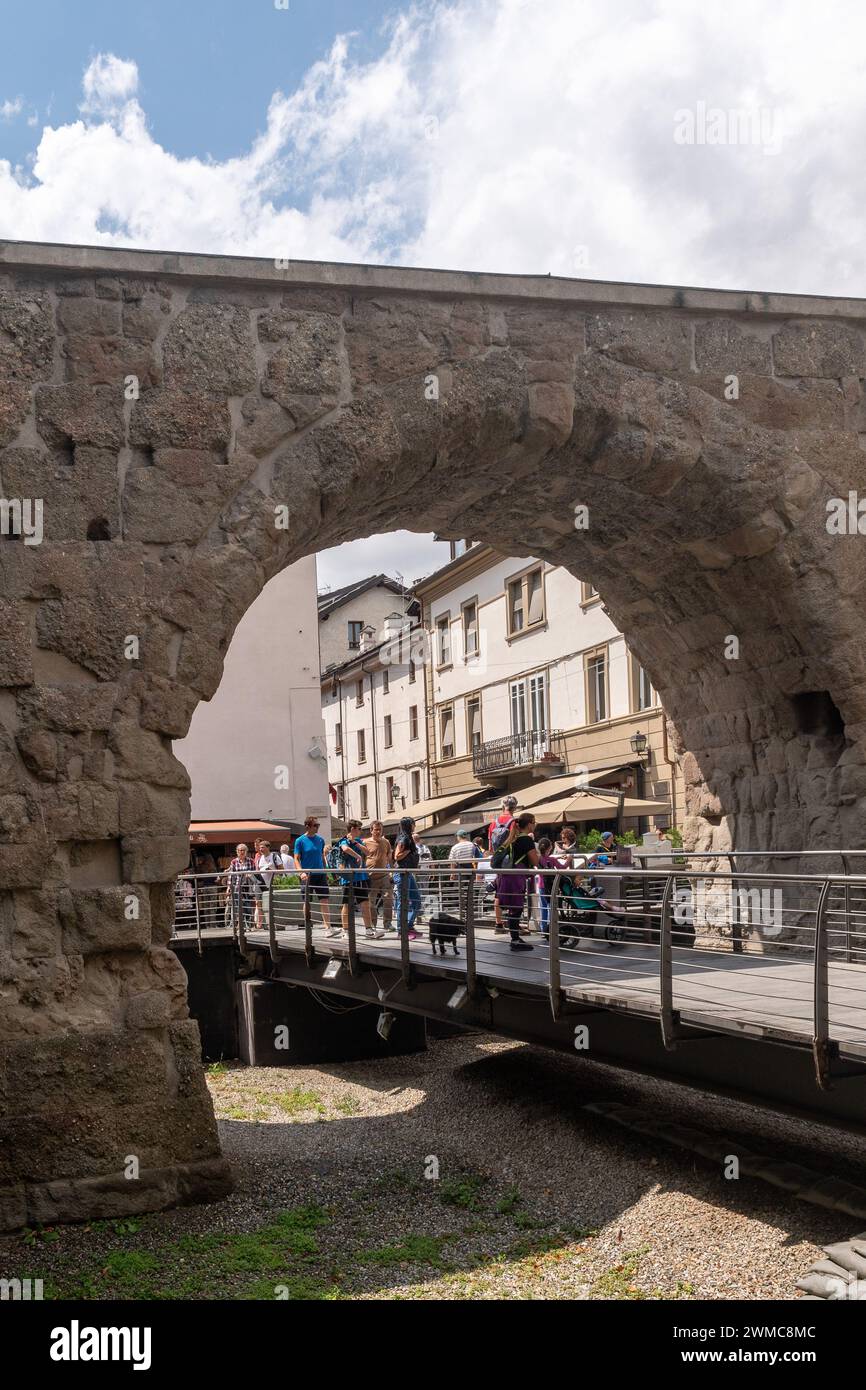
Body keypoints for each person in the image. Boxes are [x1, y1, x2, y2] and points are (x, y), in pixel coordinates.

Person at [495, 813, 539, 951]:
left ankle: (515, 938)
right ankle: (515, 940)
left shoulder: (513, 839)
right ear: (530, 823)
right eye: (534, 822)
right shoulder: (526, 839)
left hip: (507, 877)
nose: (535, 825)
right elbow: (535, 861)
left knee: (513, 909)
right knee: (516, 908)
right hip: (515, 878)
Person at [293, 815, 334, 935]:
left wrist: (326, 871)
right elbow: (296, 858)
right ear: (307, 826)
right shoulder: (300, 840)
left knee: (324, 900)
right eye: (315, 825)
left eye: (318, 825)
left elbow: (321, 857)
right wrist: (301, 872)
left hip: (320, 874)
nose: (317, 827)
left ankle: (328, 927)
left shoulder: (320, 840)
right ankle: (307, 925)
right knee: (307, 901)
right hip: (307, 875)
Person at [338, 820, 378, 938]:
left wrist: (355, 843)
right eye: (359, 829)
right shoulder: (343, 840)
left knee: (365, 903)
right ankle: (346, 931)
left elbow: (368, 852)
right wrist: (357, 856)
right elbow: (345, 849)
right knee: (347, 904)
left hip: (360, 877)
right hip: (348, 878)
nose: (361, 831)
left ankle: (369, 930)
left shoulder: (358, 841)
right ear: (352, 829)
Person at [489, 796, 518, 934]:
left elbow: (490, 845)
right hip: (510, 861)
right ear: (514, 808)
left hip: (497, 860)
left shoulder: (493, 823)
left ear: (502, 807)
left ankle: (498, 924)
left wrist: (497, 853)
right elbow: (513, 840)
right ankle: (513, 924)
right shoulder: (513, 822)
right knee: (512, 890)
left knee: (498, 890)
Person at [393, 815, 421, 940]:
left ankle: (408, 926)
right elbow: (396, 856)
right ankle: (401, 930)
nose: (414, 825)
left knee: (416, 900)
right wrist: (408, 852)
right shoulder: (403, 838)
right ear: (409, 825)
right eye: (413, 823)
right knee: (403, 902)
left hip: (407, 873)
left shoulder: (407, 838)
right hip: (401, 873)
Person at [364, 820, 394, 933]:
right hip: (370, 877)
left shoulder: (386, 842)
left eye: (380, 829)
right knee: (371, 902)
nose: (378, 831)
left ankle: (388, 923)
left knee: (388, 899)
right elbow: (361, 858)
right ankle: (373, 924)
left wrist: (392, 871)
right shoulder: (365, 842)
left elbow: (389, 857)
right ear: (371, 830)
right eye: (376, 829)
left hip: (384, 876)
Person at [535, 837, 568, 940]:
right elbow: (562, 868)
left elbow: (546, 861)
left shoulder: (538, 859)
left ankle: (543, 929)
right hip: (550, 887)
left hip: (541, 886)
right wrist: (569, 860)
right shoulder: (552, 860)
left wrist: (557, 858)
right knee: (551, 908)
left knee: (543, 908)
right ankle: (551, 929)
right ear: (550, 848)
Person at [225, 843, 256, 933]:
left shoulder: (251, 861)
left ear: (246, 852)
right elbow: (231, 876)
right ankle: (240, 924)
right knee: (238, 906)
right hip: (237, 887)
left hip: (248, 887)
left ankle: (248, 924)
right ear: (237, 852)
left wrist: (250, 876)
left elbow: (255, 874)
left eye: (243, 850)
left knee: (247, 906)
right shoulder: (234, 862)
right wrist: (229, 888)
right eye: (239, 850)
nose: (241, 852)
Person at [449, 828, 477, 916]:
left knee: (458, 888)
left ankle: (460, 907)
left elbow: (452, 862)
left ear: (459, 836)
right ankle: (470, 906)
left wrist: (452, 874)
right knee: (470, 888)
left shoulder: (455, 847)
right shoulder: (472, 845)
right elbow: (475, 857)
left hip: (459, 868)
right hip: (470, 867)